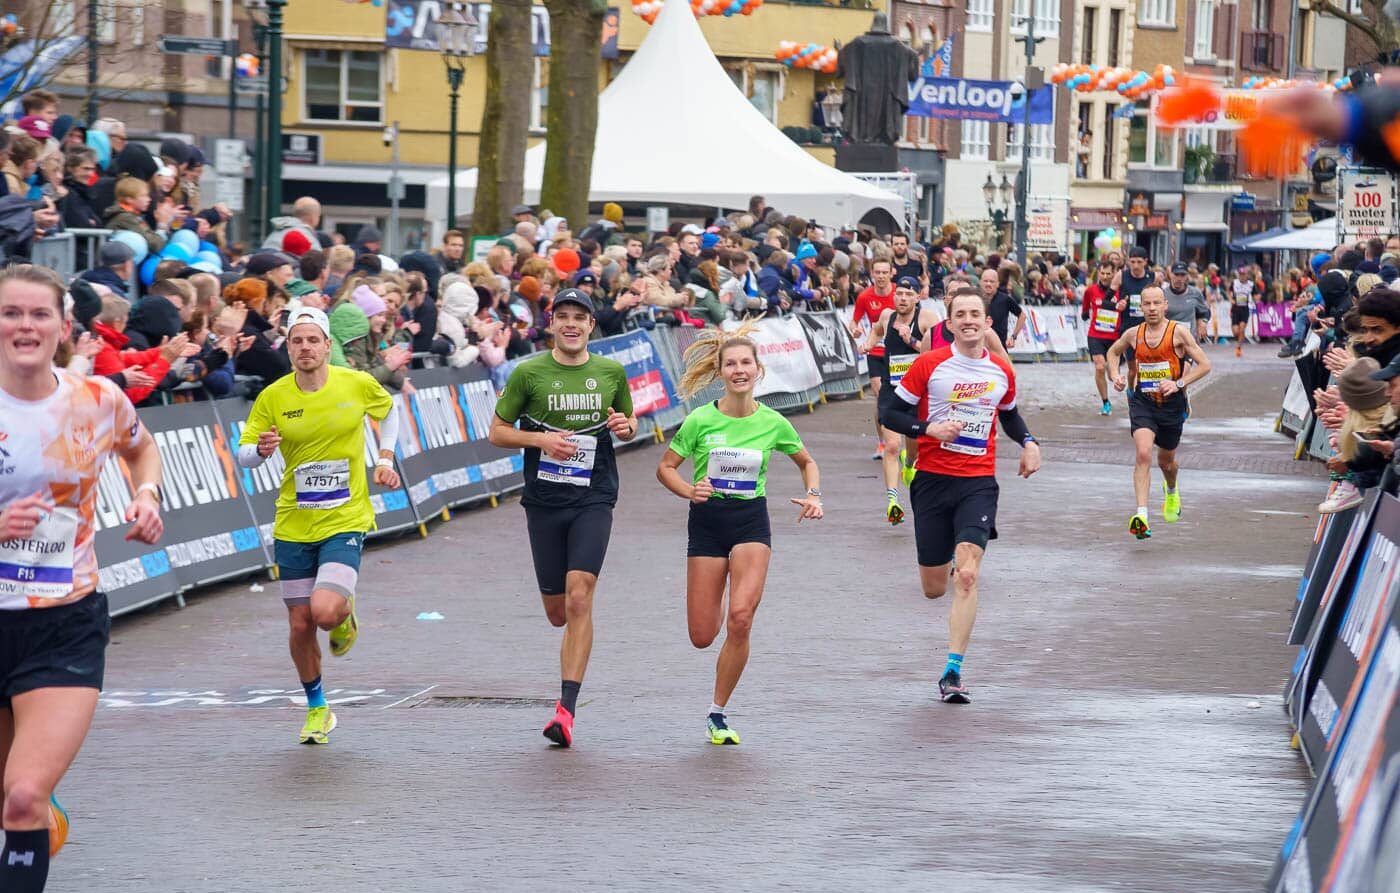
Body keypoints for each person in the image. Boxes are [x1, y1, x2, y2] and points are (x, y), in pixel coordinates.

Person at [0, 264, 164, 893]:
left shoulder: (96, 399)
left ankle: (35, 809)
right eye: (11, 313)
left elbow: (141, 447)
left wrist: (146, 495)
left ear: (63, 327)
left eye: (39, 314)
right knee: (10, 798)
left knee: (22, 796)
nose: (25, 326)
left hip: (63, 623)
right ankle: (43, 816)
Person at [236, 306, 402, 745]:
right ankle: (317, 708)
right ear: (288, 348)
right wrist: (262, 451)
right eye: (297, 341)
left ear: (328, 346)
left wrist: (385, 458)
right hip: (294, 522)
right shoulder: (273, 396)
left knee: (324, 612)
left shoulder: (356, 383)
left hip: (345, 517)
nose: (305, 348)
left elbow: (390, 411)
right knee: (299, 624)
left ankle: (344, 614)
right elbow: (245, 454)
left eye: (313, 340)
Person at [656, 325, 823, 745]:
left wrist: (813, 495)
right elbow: (665, 467)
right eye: (730, 364)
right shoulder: (700, 419)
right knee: (702, 636)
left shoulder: (773, 422)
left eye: (746, 362)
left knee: (741, 618)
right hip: (707, 522)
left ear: (758, 369)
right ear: (720, 372)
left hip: (751, 522)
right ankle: (714, 603)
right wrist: (689, 490)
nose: (739, 370)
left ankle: (717, 712)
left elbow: (807, 462)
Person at [488, 288, 638, 748]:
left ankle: (565, 711)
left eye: (579, 317)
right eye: (563, 317)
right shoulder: (528, 372)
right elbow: (496, 432)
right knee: (557, 613)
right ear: (551, 324)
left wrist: (626, 427)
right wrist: (541, 441)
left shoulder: (610, 372)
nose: (571, 324)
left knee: (579, 597)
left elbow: (629, 423)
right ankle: (566, 698)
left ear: (592, 325)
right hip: (545, 500)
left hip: (595, 495)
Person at [879, 290, 1042, 704]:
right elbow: (889, 413)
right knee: (934, 588)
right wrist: (927, 430)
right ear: (949, 324)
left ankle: (952, 671)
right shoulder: (929, 365)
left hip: (977, 483)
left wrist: (1029, 442)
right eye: (960, 315)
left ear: (987, 322)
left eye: (975, 314)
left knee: (967, 576)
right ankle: (950, 558)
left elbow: (1009, 414)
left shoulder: (1001, 370)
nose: (968, 320)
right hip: (932, 481)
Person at [1105, 287, 1212, 540]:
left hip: (1172, 405)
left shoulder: (1178, 332)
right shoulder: (1134, 334)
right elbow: (1113, 352)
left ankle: (1171, 490)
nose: (1152, 308)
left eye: (1156, 303)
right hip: (1143, 402)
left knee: (1166, 462)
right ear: (1141, 307)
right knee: (1143, 453)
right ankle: (1141, 516)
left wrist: (1178, 384)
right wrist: (1115, 375)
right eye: (1147, 304)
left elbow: (1205, 365)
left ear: (1165, 305)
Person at [863, 274, 942, 520]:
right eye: (899, 294)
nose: (903, 298)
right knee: (892, 446)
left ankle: (908, 465)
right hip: (891, 390)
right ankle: (893, 503)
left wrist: (913, 341)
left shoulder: (927, 318)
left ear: (917, 297)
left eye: (909, 294)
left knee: (912, 445)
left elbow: (939, 351)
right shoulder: (887, 316)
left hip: (916, 391)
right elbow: (876, 330)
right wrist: (868, 344)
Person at [850, 258, 897, 464]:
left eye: (884, 272)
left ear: (891, 273)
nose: (881, 276)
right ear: (872, 273)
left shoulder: (900, 294)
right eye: (877, 272)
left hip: (897, 354)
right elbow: (854, 320)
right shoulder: (865, 296)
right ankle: (883, 442)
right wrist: (855, 329)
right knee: (880, 395)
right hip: (875, 351)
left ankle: (902, 439)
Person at [1081, 262, 1124, 415]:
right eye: (1102, 273)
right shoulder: (1090, 290)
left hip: (1115, 338)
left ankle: (1112, 371)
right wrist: (1085, 314)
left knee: (1113, 377)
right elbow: (1084, 310)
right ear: (1098, 273)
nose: (1105, 277)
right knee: (1099, 366)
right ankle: (1106, 403)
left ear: (1114, 274)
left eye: (1108, 274)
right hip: (1096, 335)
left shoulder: (1120, 290)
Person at [1164, 261, 1210, 344]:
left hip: (1189, 341)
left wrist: (1204, 322)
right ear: (1171, 275)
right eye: (1176, 274)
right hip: (1169, 340)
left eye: (1182, 275)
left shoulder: (1195, 293)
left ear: (1187, 276)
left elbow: (1205, 312)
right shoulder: (1163, 294)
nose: (1179, 278)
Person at [980, 267, 1025, 348]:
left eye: (992, 281)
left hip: (1000, 348)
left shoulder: (1005, 299)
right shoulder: (974, 299)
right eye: (985, 281)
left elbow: (1022, 316)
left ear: (997, 284)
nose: (988, 284)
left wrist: (1013, 337)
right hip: (979, 347)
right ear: (980, 282)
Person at [1229, 266, 1255, 358]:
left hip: (1245, 309)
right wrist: (1231, 299)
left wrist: (1256, 299)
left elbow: (1256, 294)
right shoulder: (1234, 283)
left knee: (1242, 328)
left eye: (1244, 274)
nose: (1242, 276)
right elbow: (1229, 292)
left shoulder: (1251, 284)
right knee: (1235, 332)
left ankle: (1239, 347)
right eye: (1240, 274)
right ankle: (1239, 339)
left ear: (1247, 275)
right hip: (1235, 309)